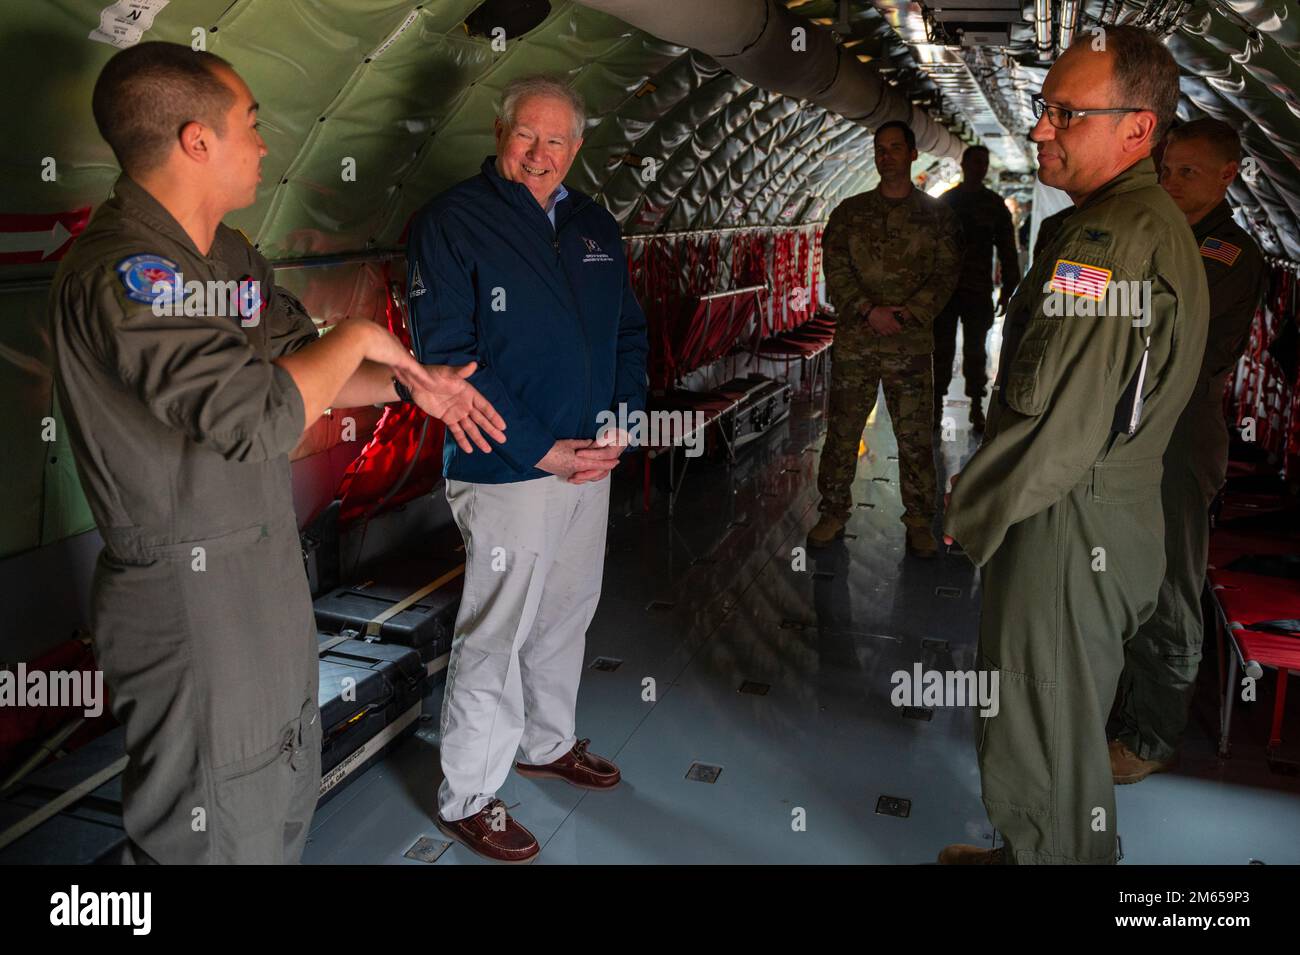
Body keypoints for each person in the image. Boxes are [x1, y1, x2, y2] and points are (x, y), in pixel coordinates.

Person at [49, 42, 504, 864]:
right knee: (214, 826)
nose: (264, 145)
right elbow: (257, 414)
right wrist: (364, 332)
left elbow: (304, 365)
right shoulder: (128, 273)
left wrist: (407, 386)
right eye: (251, 126)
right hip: (192, 601)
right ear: (196, 141)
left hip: (261, 576)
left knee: (278, 793)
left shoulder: (225, 257)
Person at [939, 25, 1209, 864]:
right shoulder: (1137, 224)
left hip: (1064, 523)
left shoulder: (1110, 242)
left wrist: (971, 509)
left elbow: (1059, 422)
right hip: (1106, 517)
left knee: (1039, 717)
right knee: (1059, 720)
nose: (1041, 128)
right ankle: (1036, 848)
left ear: (1138, 129)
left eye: (1065, 112)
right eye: (1042, 107)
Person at [406, 75, 649, 864]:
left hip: (590, 460)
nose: (539, 154)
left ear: (577, 147)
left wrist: (620, 420)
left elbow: (626, 333)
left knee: (568, 610)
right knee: (497, 630)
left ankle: (545, 742)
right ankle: (469, 793)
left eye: (556, 140)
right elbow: (449, 357)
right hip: (505, 466)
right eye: (525, 136)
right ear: (499, 131)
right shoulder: (452, 222)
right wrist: (541, 447)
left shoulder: (594, 225)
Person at [1112, 118, 1266, 783]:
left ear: (1229, 175)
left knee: (1170, 585)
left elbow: (1171, 339)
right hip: (1128, 428)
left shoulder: (1230, 254)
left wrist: (1099, 299)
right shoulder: (1152, 228)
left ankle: (1152, 738)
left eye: (1188, 173)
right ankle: (1120, 711)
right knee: (1119, 577)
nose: (1170, 183)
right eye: (1167, 169)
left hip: (1177, 437)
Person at [809, 120, 961, 557]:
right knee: (842, 431)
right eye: (880, 148)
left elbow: (946, 272)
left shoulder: (936, 217)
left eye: (895, 148)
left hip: (909, 347)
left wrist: (910, 312)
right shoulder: (849, 213)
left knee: (915, 437)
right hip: (857, 342)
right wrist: (866, 310)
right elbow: (835, 269)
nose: (886, 155)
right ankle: (833, 512)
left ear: (914, 155)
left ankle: (918, 520)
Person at [936, 146, 1020, 431]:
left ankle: (975, 407)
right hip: (944, 291)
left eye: (984, 163)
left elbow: (1008, 250)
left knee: (976, 352)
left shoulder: (993, 205)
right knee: (941, 350)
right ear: (964, 164)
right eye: (975, 162)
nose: (980, 167)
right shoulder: (947, 202)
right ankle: (935, 405)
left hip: (977, 289)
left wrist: (1009, 289)